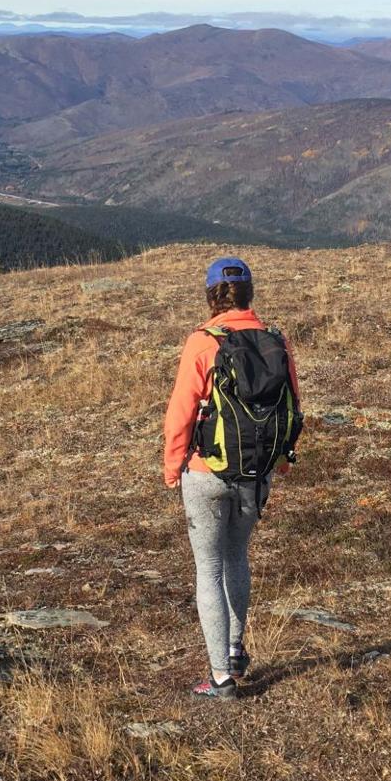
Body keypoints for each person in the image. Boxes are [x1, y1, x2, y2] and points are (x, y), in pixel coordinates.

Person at [163, 256, 302, 700]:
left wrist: (172, 468)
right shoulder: (276, 341)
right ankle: (237, 649)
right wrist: (278, 461)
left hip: (205, 472)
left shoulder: (202, 343)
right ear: (250, 294)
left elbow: (180, 414)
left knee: (208, 568)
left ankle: (221, 676)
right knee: (236, 556)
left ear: (211, 296)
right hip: (256, 473)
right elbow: (293, 407)